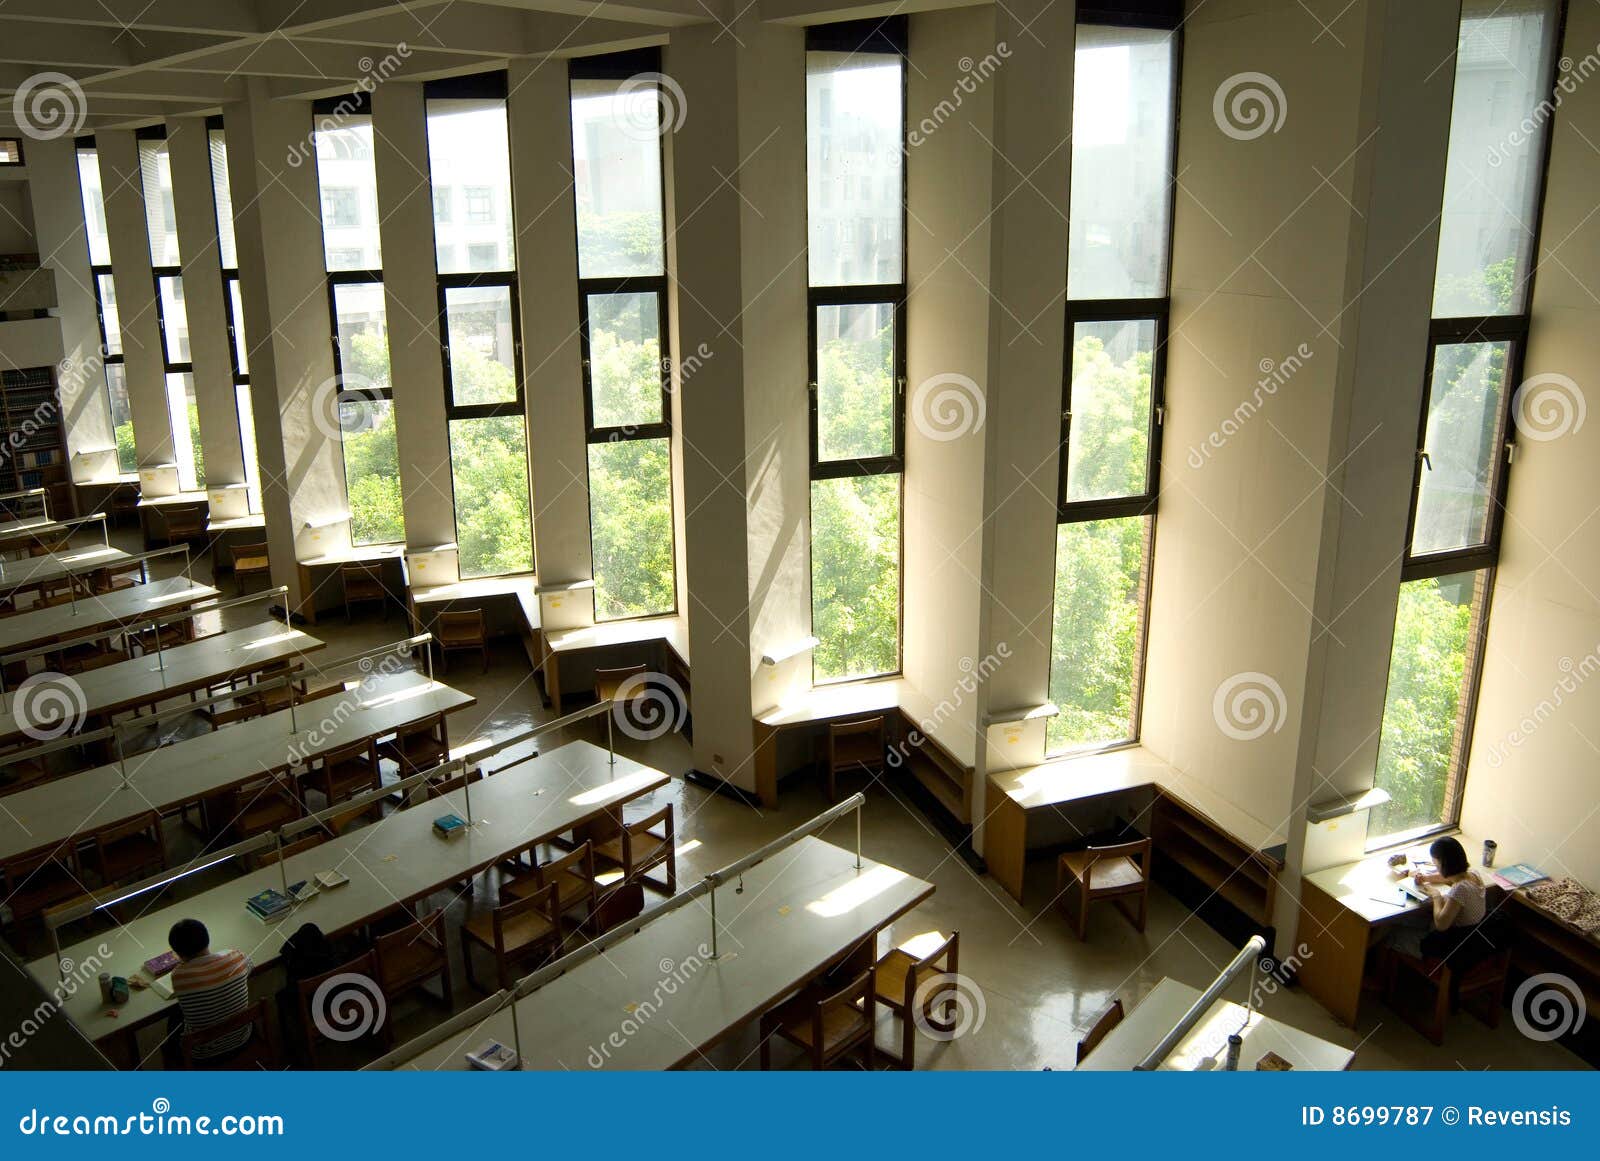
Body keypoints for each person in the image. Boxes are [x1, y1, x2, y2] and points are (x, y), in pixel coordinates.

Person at [1385, 836, 1487, 958]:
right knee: (1406, 919)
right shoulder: (1473, 875)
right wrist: (1426, 878)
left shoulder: (1460, 889)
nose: (1436, 868)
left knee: (1393, 931)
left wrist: (1436, 896)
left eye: (1436, 865)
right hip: (1469, 939)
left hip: (1450, 945)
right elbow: (1448, 877)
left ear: (1444, 865)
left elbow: (1441, 924)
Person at [167, 919, 253, 1062]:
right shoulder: (236, 957)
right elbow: (250, 967)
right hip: (242, 1038)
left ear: (178, 954)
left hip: (203, 1054)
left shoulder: (179, 976)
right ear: (207, 939)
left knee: (173, 1019)